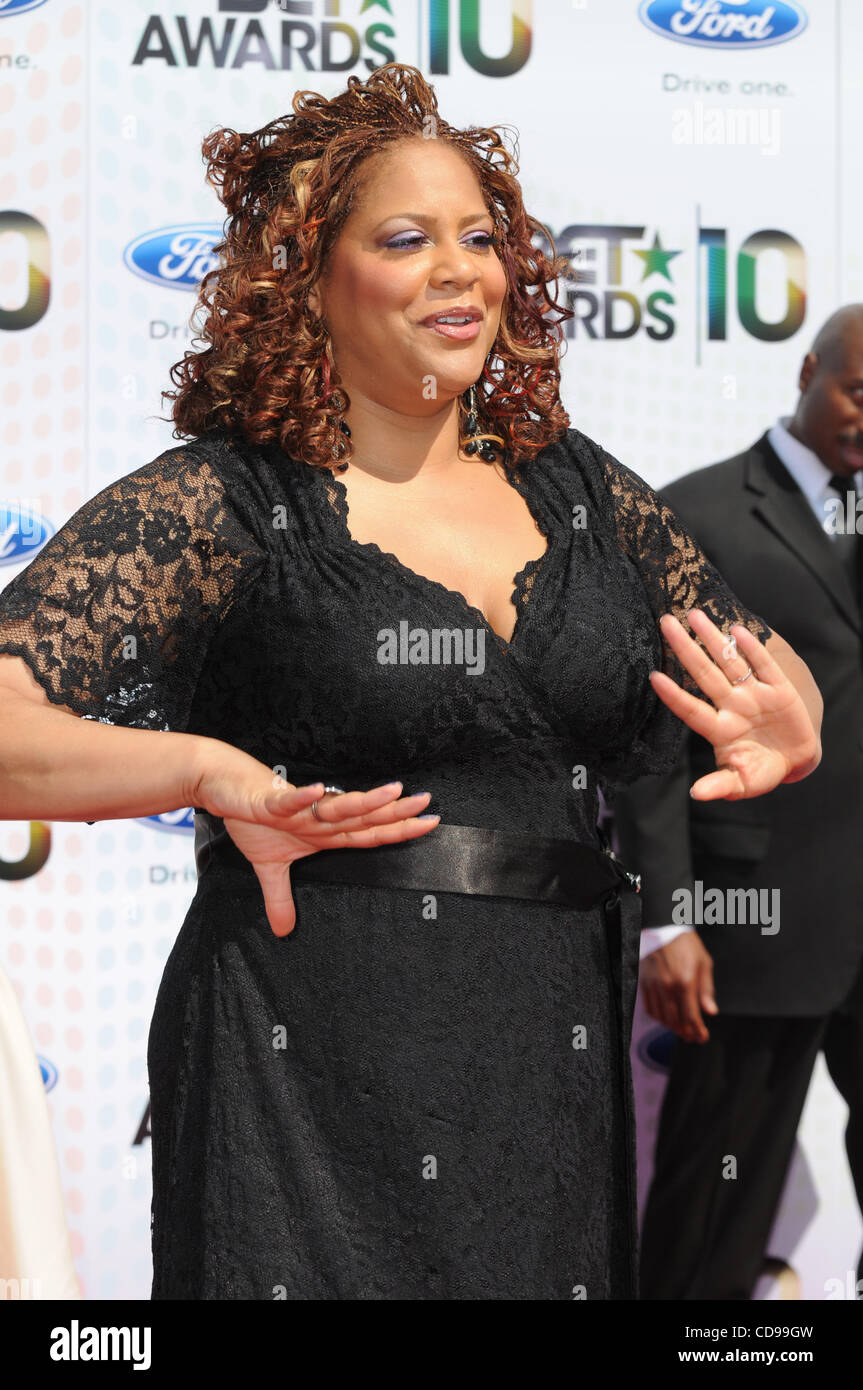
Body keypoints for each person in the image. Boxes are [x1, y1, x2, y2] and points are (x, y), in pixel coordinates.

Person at [0, 64, 822, 1301]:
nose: (459, 269)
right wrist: (206, 770)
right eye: (406, 238)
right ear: (307, 277)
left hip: (542, 1061)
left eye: (479, 237)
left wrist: (790, 714)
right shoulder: (228, 502)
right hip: (302, 1055)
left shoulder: (579, 490)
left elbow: (760, 665)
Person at [613, 304, 863, 1300]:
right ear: (805, 369)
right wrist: (665, 915)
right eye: (856, 390)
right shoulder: (697, 518)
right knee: (711, 1218)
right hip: (749, 923)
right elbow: (651, 740)